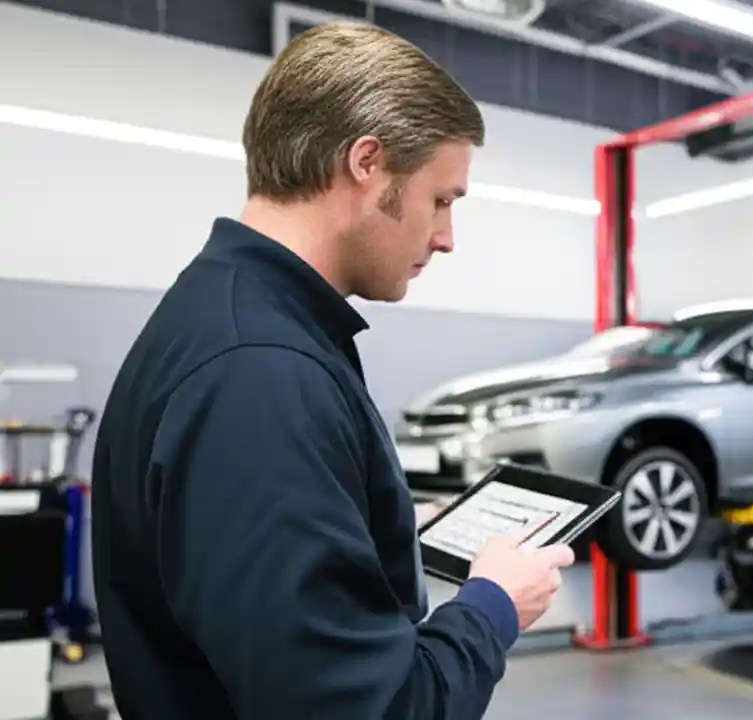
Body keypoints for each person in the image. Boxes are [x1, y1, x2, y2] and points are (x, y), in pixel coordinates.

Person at [90, 22, 574, 720]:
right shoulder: (260, 374)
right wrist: (494, 605)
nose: (446, 238)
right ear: (366, 163)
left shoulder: (227, 316)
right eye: (442, 199)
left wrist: (373, 522)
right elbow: (369, 709)